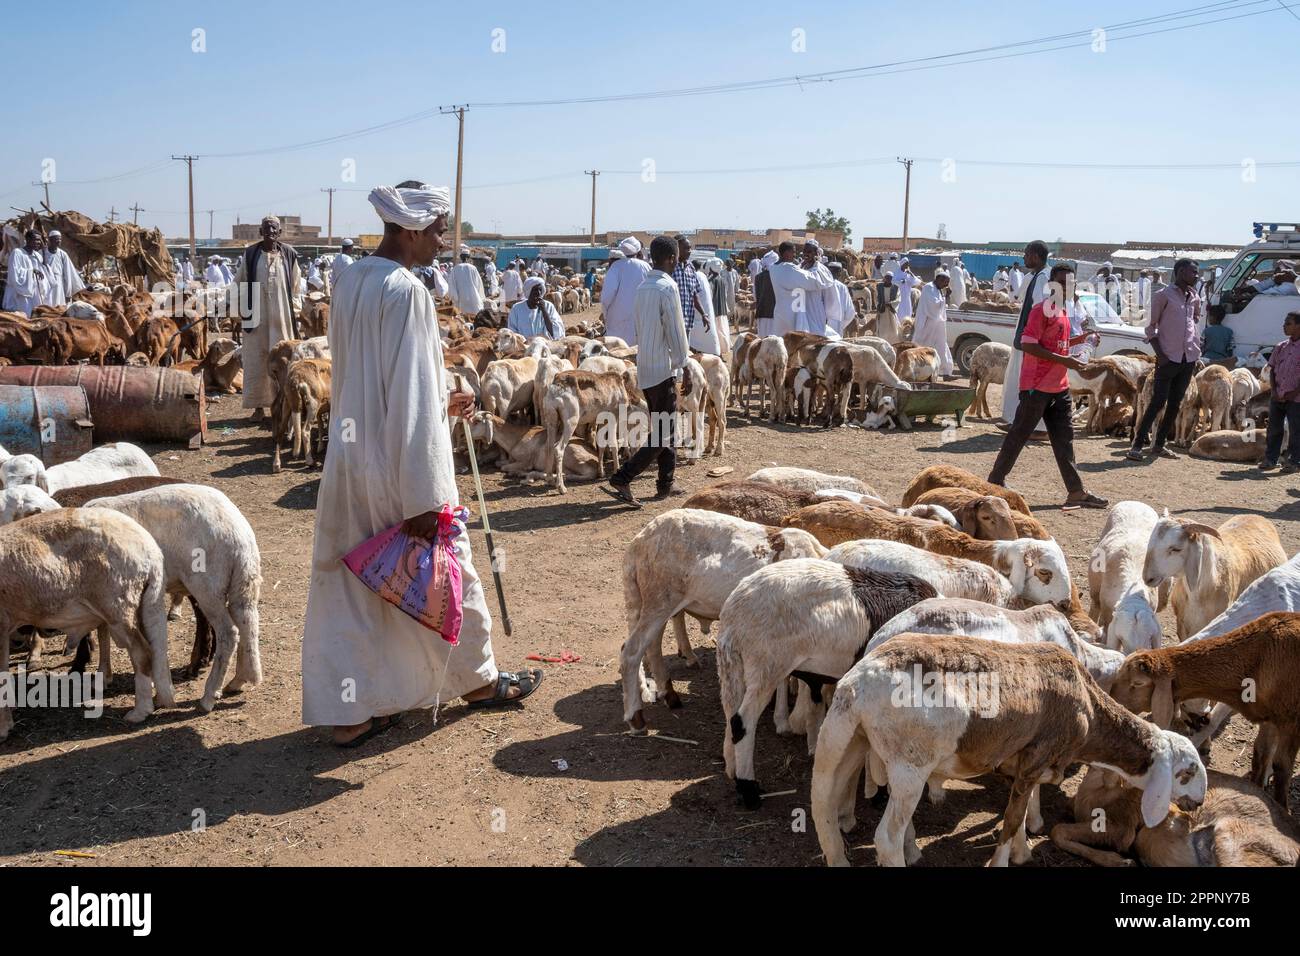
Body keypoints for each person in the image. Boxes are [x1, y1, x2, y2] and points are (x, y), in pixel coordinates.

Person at [302, 180, 542, 746]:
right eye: (437, 230)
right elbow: (406, 394)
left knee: (351, 586)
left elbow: (379, 379)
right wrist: (426, 495)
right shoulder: (405, 290)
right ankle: (479, 684)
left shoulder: (352, 279)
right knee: (447, 569)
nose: (441, 241)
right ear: (409, 228)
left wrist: (440, 400)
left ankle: (351, 715)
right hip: (397, 465)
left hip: (350, 458)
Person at [988, 262, 1107, 509]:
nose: (1066, 287)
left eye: (1070, 283)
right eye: (1061, 282)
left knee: (1065, 440)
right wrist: (1066, 360)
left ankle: (1076, 491)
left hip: (1058, 386)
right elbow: (1029, 344)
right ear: (1051, 284)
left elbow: (1058, 344)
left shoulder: (1062, 311)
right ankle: (995, 481)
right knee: (1019, 435)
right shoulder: (1041, 310)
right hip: (1036, 387)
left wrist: (1081, 339)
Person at [604, 235, 688, 507]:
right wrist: (683, 365)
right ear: (671, 258)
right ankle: (623, 476)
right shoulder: (667, 287)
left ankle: (666, 483)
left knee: (665, 426)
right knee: (664, 431)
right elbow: (675, 331)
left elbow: (641, 329)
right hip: (664, 368)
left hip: (646, 368)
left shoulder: (642, 288)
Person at [1127, 258, 1203, 462]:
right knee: (1157, 402)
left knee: (1175, 404)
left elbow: (1195, 320)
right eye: (1192, 272)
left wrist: (1196, 348)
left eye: (1196, 273)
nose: (1196, 276)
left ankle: (1159, 445)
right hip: (1168, 358)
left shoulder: (1194, 297)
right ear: (1179, 272)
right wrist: (1161, 355)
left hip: (1188, 358)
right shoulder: (1164, 296)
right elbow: (1150, 328)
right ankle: (1137, 444)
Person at [233, 215, 302, 422]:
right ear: (260, 232)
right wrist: (241, 311)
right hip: (257, 319)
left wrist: (294, 310)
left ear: (279, 233)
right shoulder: (251, 254)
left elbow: (297, 287)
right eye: (267, 229)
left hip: (282, 317)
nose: (270, 233)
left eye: (274, 229)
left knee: (283, 360)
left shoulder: (289, 255)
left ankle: (283, 404)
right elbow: (240, 282)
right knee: (257, 360)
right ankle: (258, 408)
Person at [1000, 240, 1052, 428]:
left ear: (1035, 256)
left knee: (1029, 384)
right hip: (1028, 338)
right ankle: (1018, 420)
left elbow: (1040, 311)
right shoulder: (1036, 276)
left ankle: (1030, 426)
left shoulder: (1043, 278)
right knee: (1022, 381)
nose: (1024, 257)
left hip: (1032, 340)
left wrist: (1033, 341)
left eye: (1026, 254)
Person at [1261, 311, 1300, 474]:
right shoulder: (1280, 347)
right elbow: (1272, 369)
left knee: (1296, 430)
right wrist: (1274, 390)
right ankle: (1271, 459)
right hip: (1278, 396)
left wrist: (1295, 392)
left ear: (1298, 326)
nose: (1284, 326)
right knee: (1274, 428)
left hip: (1296, 398)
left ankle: (1294, 461)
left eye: (1288, 323)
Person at [770, 241, 832, 336]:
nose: (795, 255)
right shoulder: (790, 269)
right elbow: (813, 280)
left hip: (783, 313)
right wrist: (817, 265)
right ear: (786, 253)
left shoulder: (774, 268)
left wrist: (807, 265)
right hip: (792, 315)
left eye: (809, 251)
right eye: (793, 252)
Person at [599, 236, 651, 344]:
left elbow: (606, 297)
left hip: (617, 322)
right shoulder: (646, 267)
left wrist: (605, 314)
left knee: (618, 352)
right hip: (642, 321)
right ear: (638, 251)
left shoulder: (616, 267)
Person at [913, 271, 954, 377]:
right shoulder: (928, 287)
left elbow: (940, 305)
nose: (946, 285)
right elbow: (932, 306)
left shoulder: (939, 290)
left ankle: (945, 371)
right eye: (946, 282)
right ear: (939, 279)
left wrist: (945, 296)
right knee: (922, 346)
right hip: (927, 323)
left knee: (941, 345)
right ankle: (919, 369)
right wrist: (945, 297)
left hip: (938, 324)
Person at [4, 230, 46, 315]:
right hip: (19, 293)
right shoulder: (17, 253)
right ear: (27, 239)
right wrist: (31, 271)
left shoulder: (38, 256)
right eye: (35, 239)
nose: (38, 242)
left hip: (34, 293)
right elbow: (14, 273)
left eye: (39, 240)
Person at [40, 230, 84, 307]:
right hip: (46, 283)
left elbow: (68, 273)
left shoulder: (62, 254)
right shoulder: (42, 252)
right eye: (56, 239)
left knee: (59, 306)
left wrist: (68, 293)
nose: (59, 241)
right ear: (50, 240)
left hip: (59, 284)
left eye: (60, 239)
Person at [449, 249, 485, 315]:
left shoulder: (455, 268)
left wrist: (455, 297)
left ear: (460, 257)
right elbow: (478, 283)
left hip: (461, 299)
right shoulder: (473, 268)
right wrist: (480, 296)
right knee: (475, 316)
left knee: (462, 318)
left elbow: (452, 284)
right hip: (473, 298)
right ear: (468, 258)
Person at [825, 261, 856, 337]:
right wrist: (841, 325)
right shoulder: (842, 287)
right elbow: (850, 312)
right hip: (837, 327)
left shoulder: (821, 285)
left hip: (822, 326)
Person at [754, 250, 777, 335]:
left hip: (761, 313)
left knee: (762, 340)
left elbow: (755, 296)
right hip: (774, 314)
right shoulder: (778, 276)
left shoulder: (757, 277)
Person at [892, 257, 921, 325]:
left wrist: (911, 273)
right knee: (900, 312)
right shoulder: (896, 273)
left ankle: (906, 325)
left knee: (908, 311)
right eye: (906, 264)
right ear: (902, 264)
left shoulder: (908, 274)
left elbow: (916, 282)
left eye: (908, 264)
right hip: (899, 296)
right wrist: (901, 281)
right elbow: (893, 282)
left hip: (907, 297)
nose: (908, 265)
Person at [875, 271, 900, 342]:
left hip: (891, 311)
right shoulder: (879, 287)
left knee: (894, 331)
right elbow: (876, 298)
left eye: (890, 278)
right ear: (884, 278)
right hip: (882, 311)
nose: (888, 279)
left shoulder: (896, 288)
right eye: (887, 278)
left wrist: (890, 304)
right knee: (882, 330)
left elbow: (898, 299)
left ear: (892, 279)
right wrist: (881, 305)